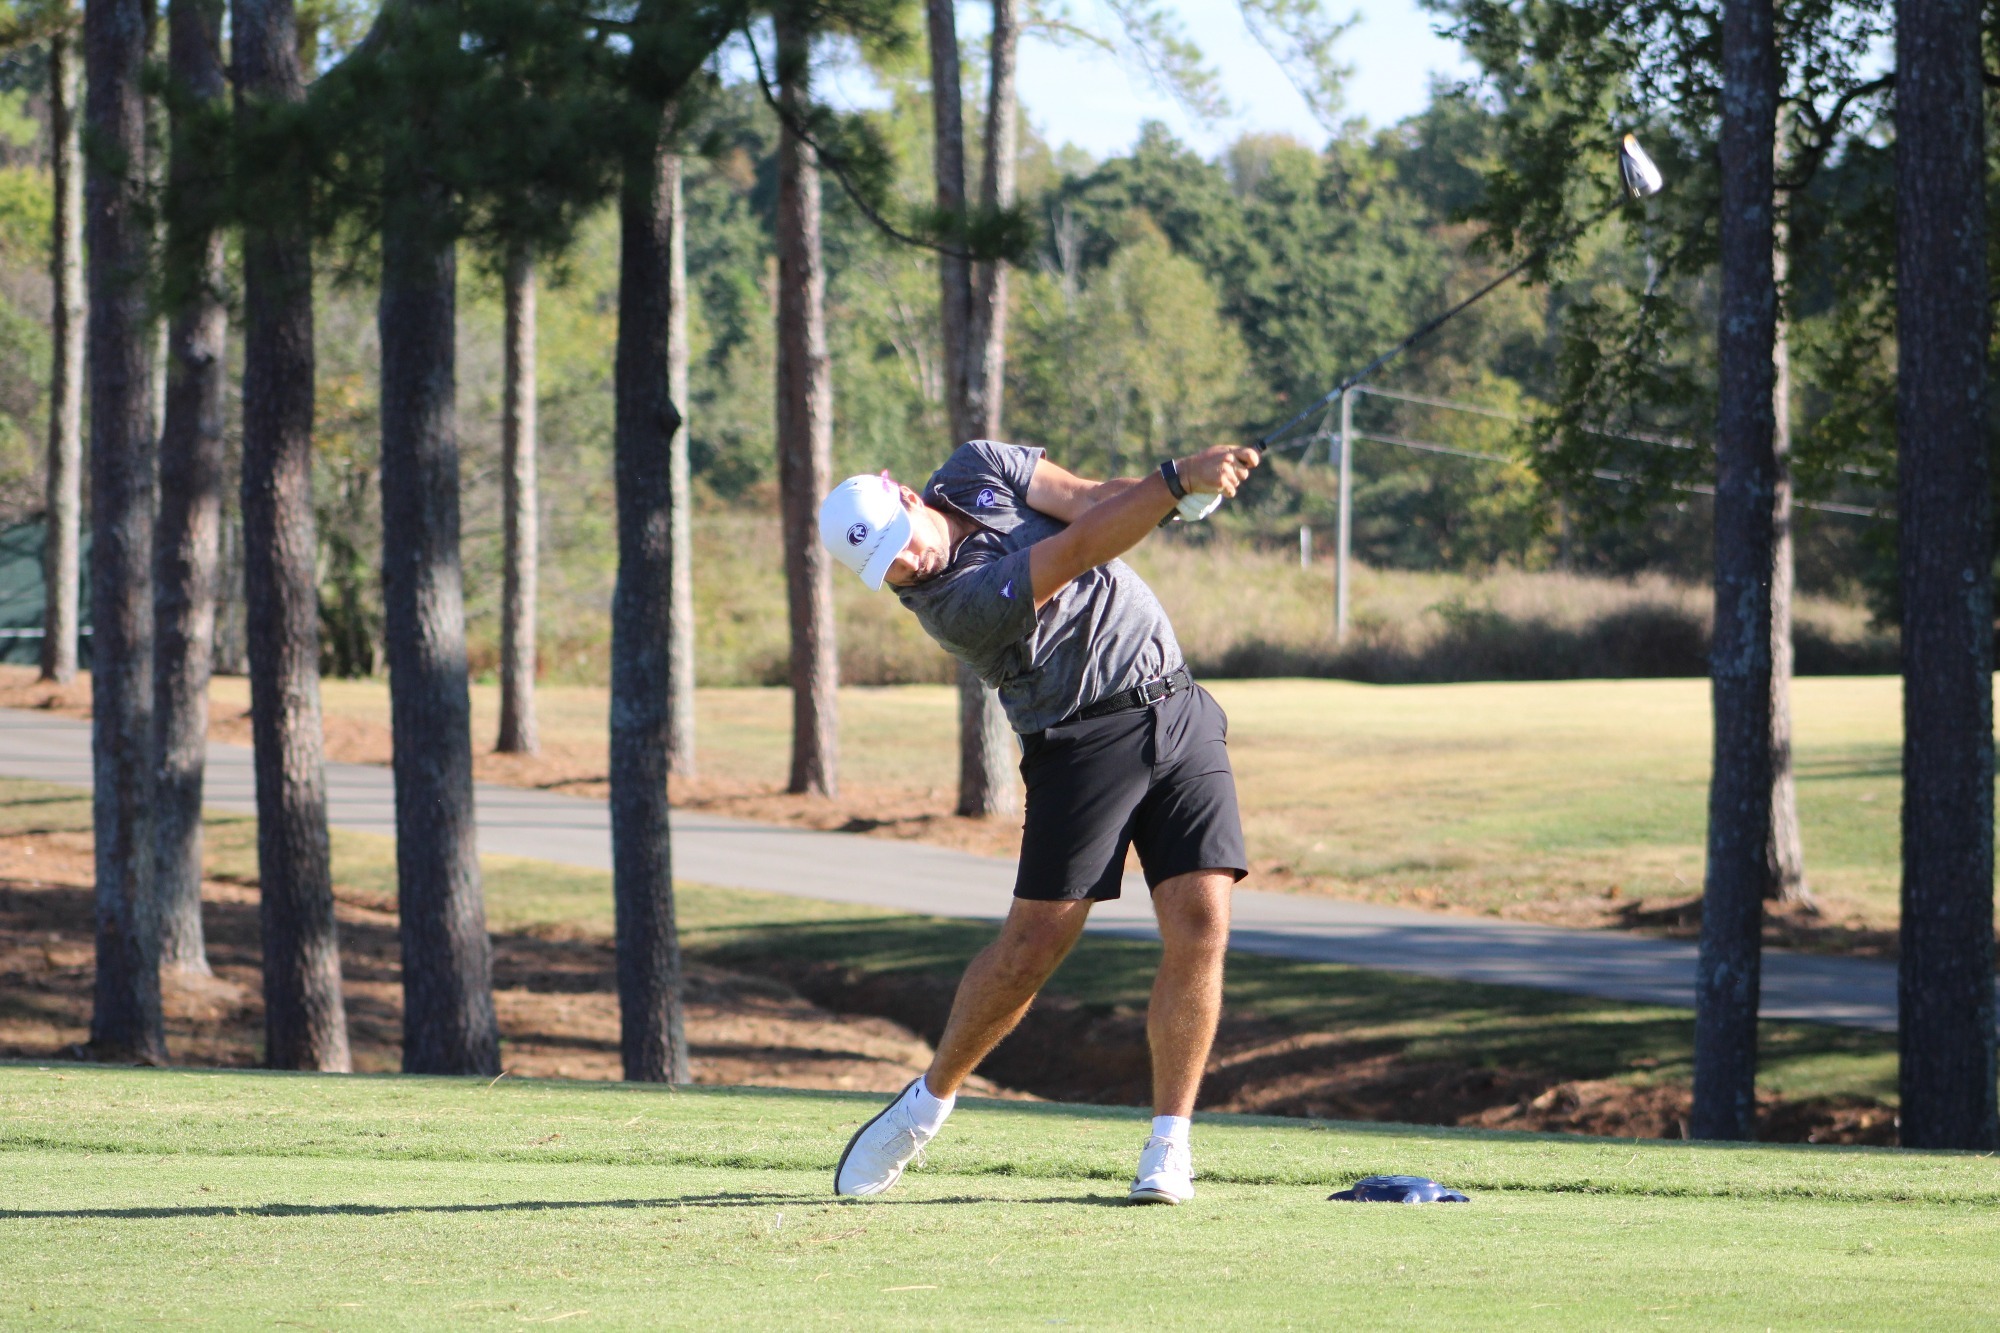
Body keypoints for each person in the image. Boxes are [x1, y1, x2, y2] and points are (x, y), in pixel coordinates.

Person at [814, 438, 1261, 1205]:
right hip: (1079, 744)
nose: (904, 567)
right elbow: (1081, 546)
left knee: (1202, 921)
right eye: (882, 568)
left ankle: (1169, 1145)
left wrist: (1178, 493)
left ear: (910, 499)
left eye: (899, 544)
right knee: (1030, 951)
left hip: (1177, 706)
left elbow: (1089, 500)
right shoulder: (951, 606)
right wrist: (1171, 482)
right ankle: (927, 1103)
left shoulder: (974, 467)